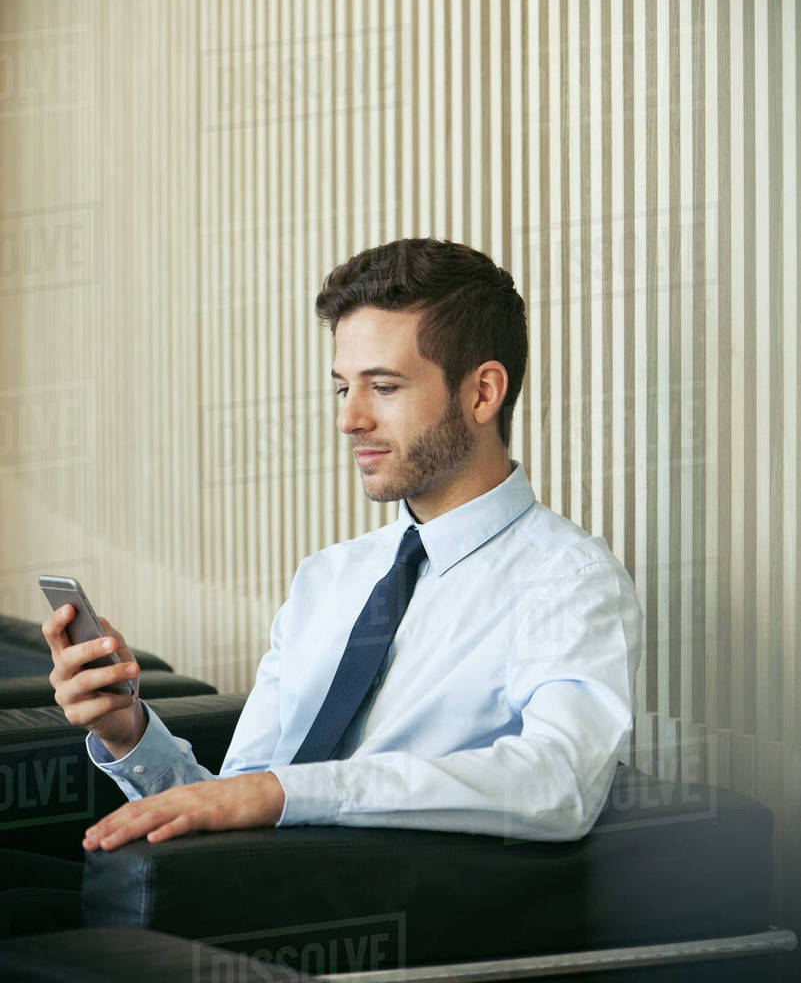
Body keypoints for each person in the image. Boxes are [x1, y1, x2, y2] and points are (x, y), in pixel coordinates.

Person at [43, 238, 641, 854]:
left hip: (383, 903)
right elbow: (238, 802)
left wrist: (288, 794)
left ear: (483, 392)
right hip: (248, 894)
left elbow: (560, 783)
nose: (349, 419)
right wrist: (129, 732)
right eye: (342, 388)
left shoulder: (568, 581)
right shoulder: (328, 578)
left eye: (383, 387)